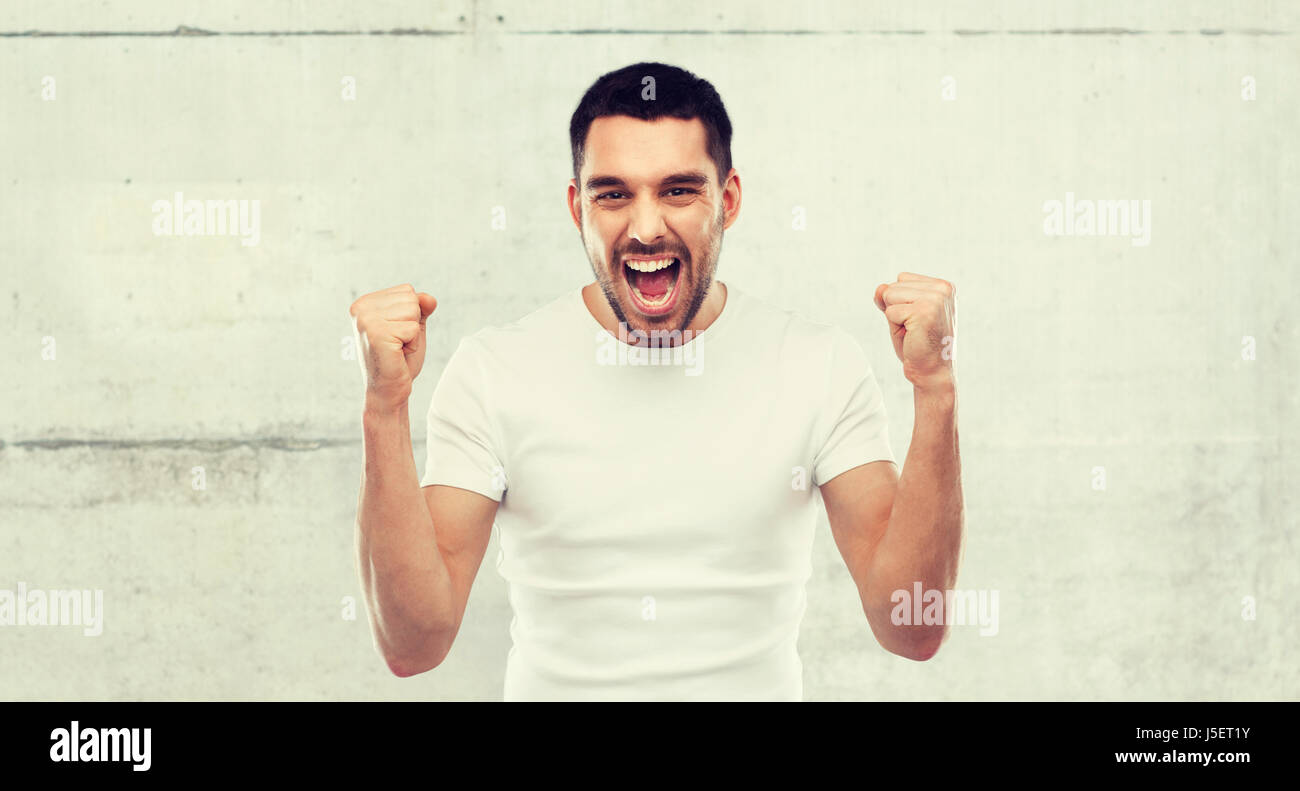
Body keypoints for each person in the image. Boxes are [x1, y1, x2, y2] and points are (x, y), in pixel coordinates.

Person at [349, 62, 963, 701]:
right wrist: (384, 406)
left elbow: (910, 628)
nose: (645, 228)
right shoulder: (494, 372)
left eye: (677, 191)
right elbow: (413, 646)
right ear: (577, 206)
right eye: (613, 194)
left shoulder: (819, 365)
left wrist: (935, 387)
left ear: (727, 200)